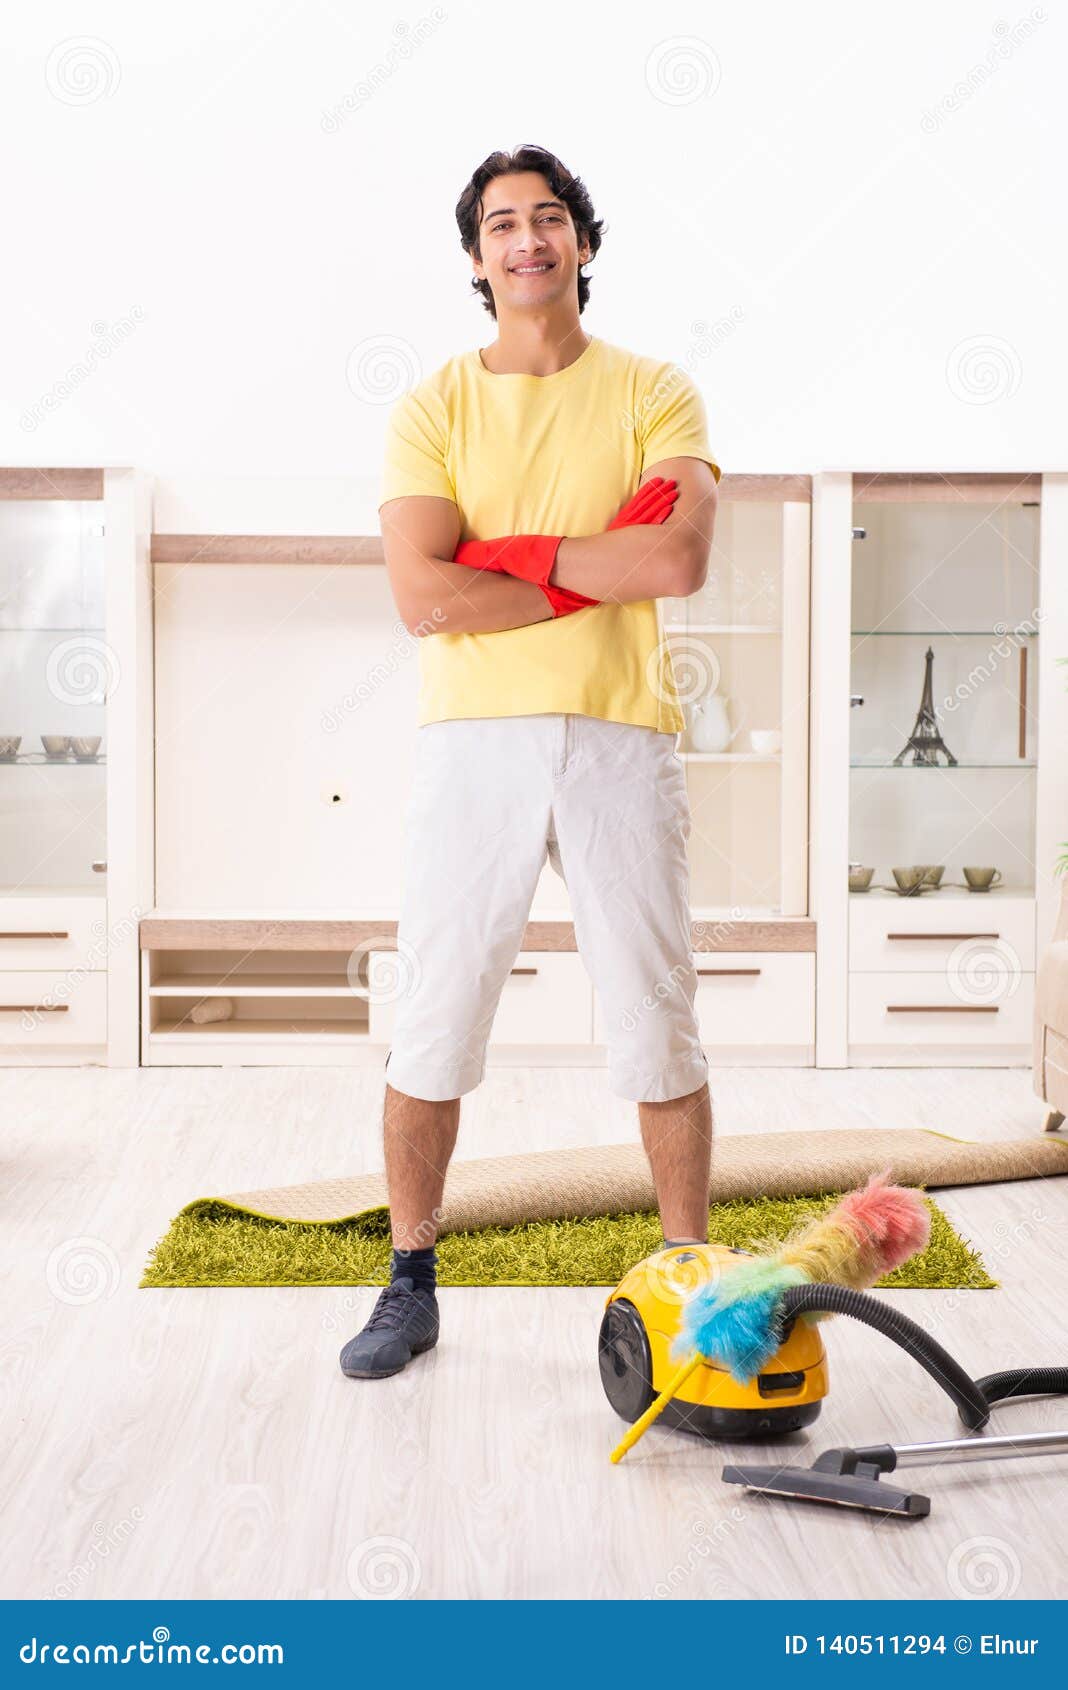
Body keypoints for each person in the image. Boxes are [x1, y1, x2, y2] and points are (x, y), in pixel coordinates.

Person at [340, 143, 721, 1379]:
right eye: (501, 223)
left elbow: (671, 564)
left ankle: (687, 1276)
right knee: (434, 1016)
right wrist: (585, 557)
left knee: (659, 1021)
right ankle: (409, 1280)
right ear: (476, 258)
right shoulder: (433, 405)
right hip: (474, 747)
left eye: (548, 217)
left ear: (583, 244)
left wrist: (507, 556)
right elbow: (422, 598)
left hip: (622, 736)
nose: (527, 239)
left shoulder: (658, 390)